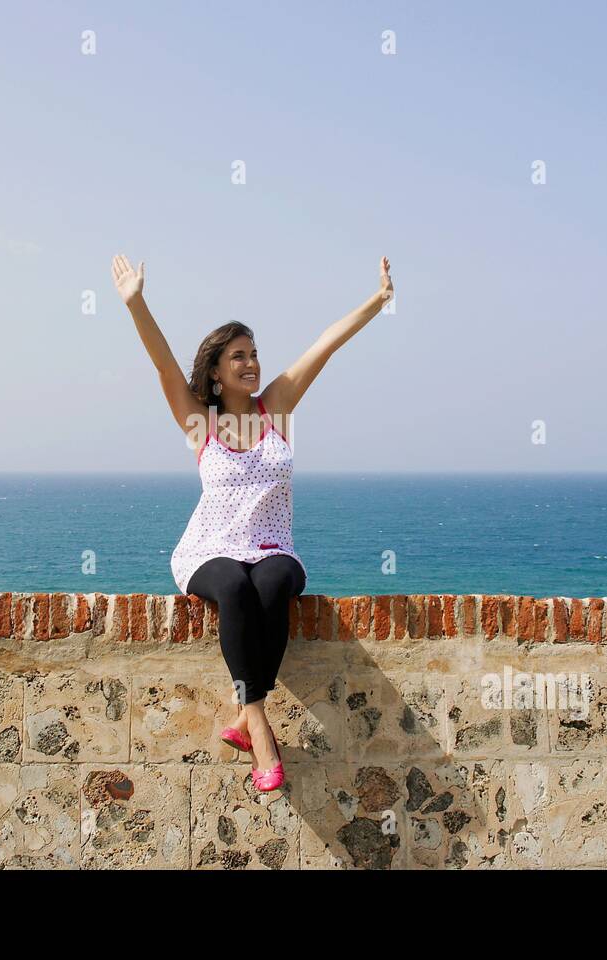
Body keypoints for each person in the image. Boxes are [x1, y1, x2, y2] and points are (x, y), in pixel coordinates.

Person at [111, 253, 393, 790]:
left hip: (272, 545)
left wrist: (377, 302)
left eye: (255, 354)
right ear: (216, 371)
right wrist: (137, 304)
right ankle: (258, 722)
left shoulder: (276, 408)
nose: (252, 363)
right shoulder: (201, 421)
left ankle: (244, 715)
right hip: (209, 550)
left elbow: (324, 345)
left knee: (275, 582)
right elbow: (165, 365)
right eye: (238, 356)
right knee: (236, 590)